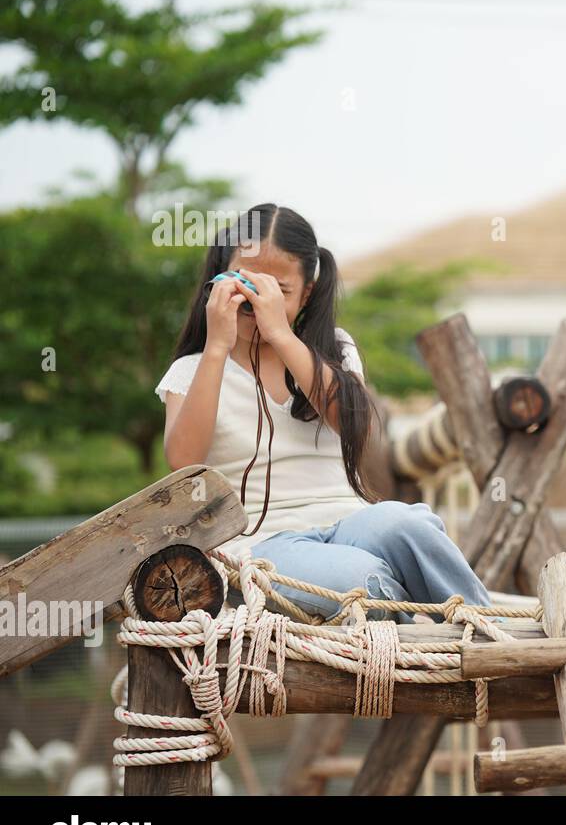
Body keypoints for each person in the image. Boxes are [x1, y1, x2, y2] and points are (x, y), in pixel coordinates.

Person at [155, 203, 490, 623]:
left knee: (409, 526)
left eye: (277, 289)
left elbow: (356, 427)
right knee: (361, 580)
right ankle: (413, 623)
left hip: (351, 520)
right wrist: (218, 348)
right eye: (242, 282)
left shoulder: (334, 349)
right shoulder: (191, 371)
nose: (254, 299)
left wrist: (279, 333)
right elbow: (184, 463)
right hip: (261, 546)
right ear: (216, 282)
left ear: (307, 292)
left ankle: (487, 631)